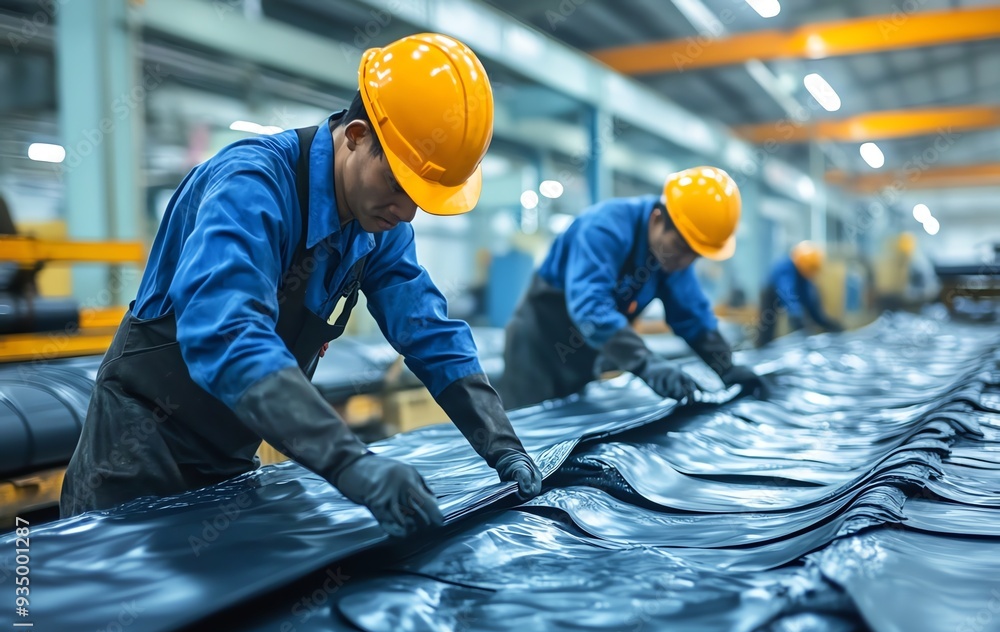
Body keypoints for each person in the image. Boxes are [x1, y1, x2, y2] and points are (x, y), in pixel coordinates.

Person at [60, 33, 542, 537]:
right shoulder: (250, 185)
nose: (406, 211)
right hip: (133, 464)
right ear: (356, 135)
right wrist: (350, 462)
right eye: (399, 184)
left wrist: (501, 445)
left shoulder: (376, 227)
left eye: (421, 197)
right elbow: (227, 334)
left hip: (229, 463)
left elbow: (427, 329)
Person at [499, 166, 765, 410]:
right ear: (658, 218)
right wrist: (646, 363)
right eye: (682, 248)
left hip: (584, 353)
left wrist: (727, 367)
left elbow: (691, 316)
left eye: (694, 255)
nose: (684, 262)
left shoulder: (670, 258)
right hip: (537, 350)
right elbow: (590, 308)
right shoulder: (604, 228)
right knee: (530, 438)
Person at [757, 241, 843, 347]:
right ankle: (762, 348)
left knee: (809, 318)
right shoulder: (786, 268)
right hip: (771, 293)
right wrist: (796, 313)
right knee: (767, 325)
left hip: (793, 291)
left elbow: (810, 300)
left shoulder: (805, 276)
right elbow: (787, 292)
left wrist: (824, 321)